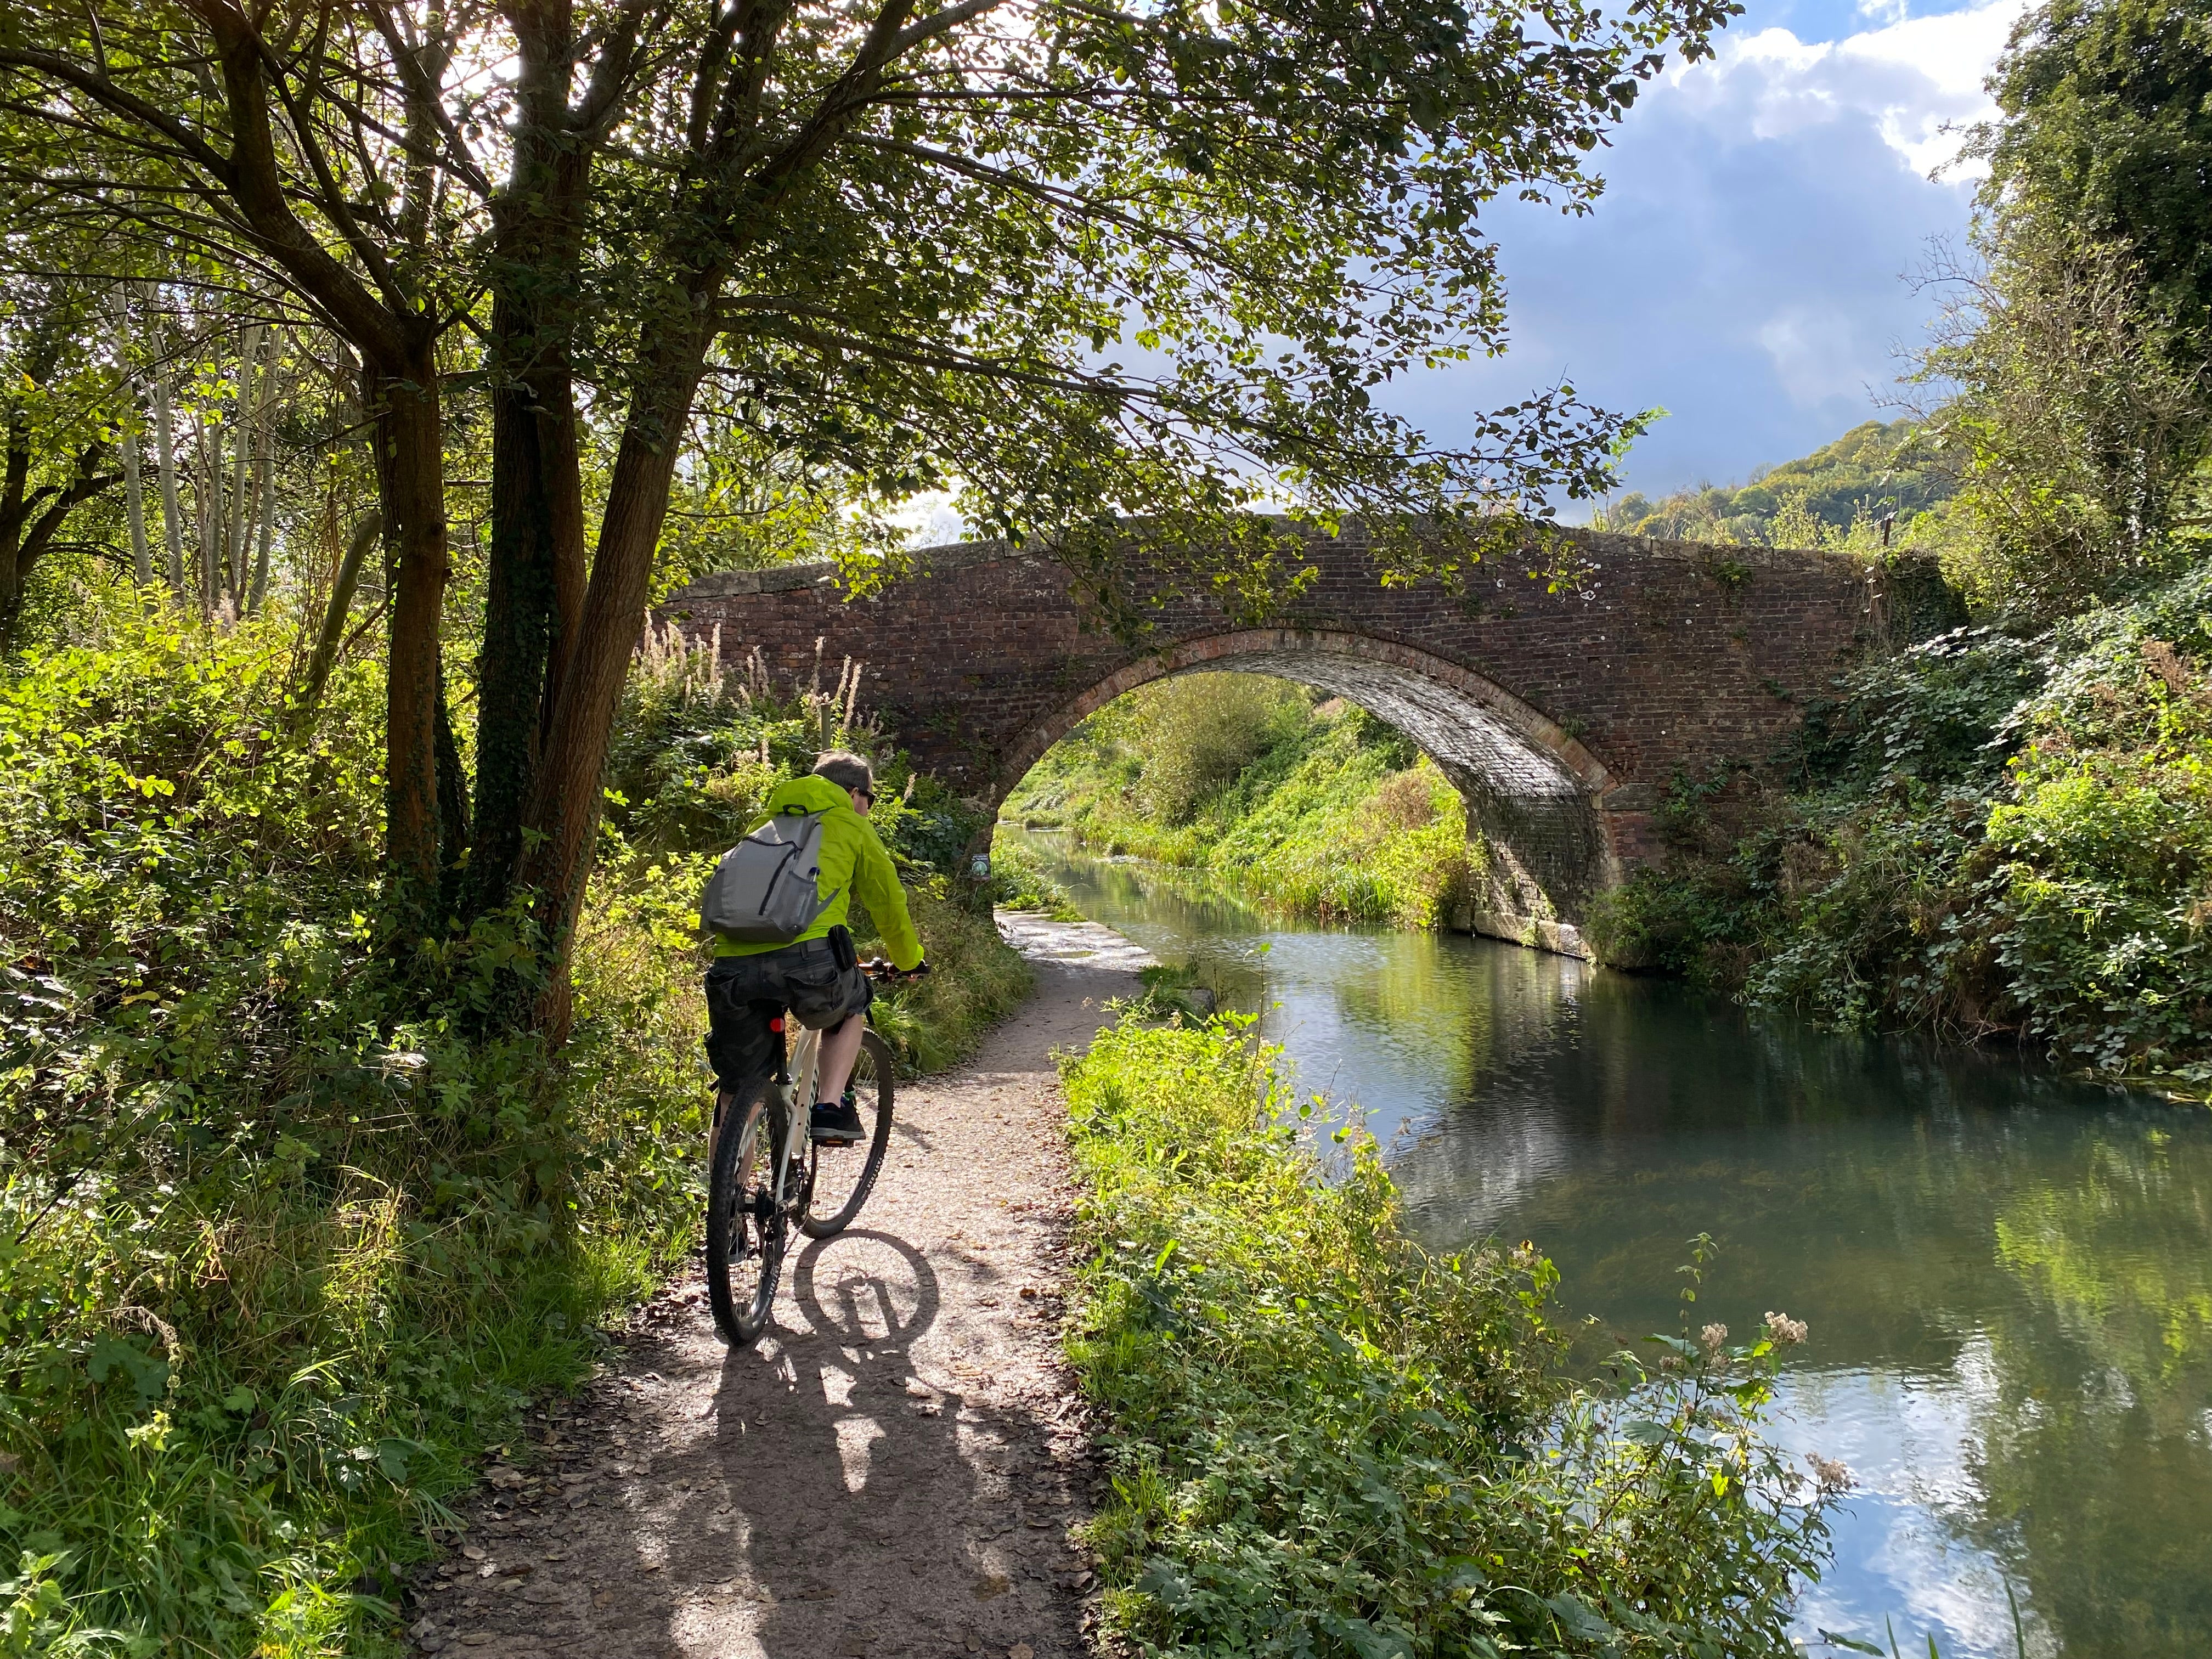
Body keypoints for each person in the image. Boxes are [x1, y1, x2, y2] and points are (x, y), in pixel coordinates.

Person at [703, 751, 926, 1141]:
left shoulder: (764, 824)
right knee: (852, 1006)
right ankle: (829, 1107)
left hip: (732, 966)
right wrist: (909, 961)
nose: (868, 810)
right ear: (855, 794)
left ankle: (725, 1199)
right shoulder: (851, 826)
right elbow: (888, 905)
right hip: (811, 963)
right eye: (870, 801)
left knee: (736, 1094)